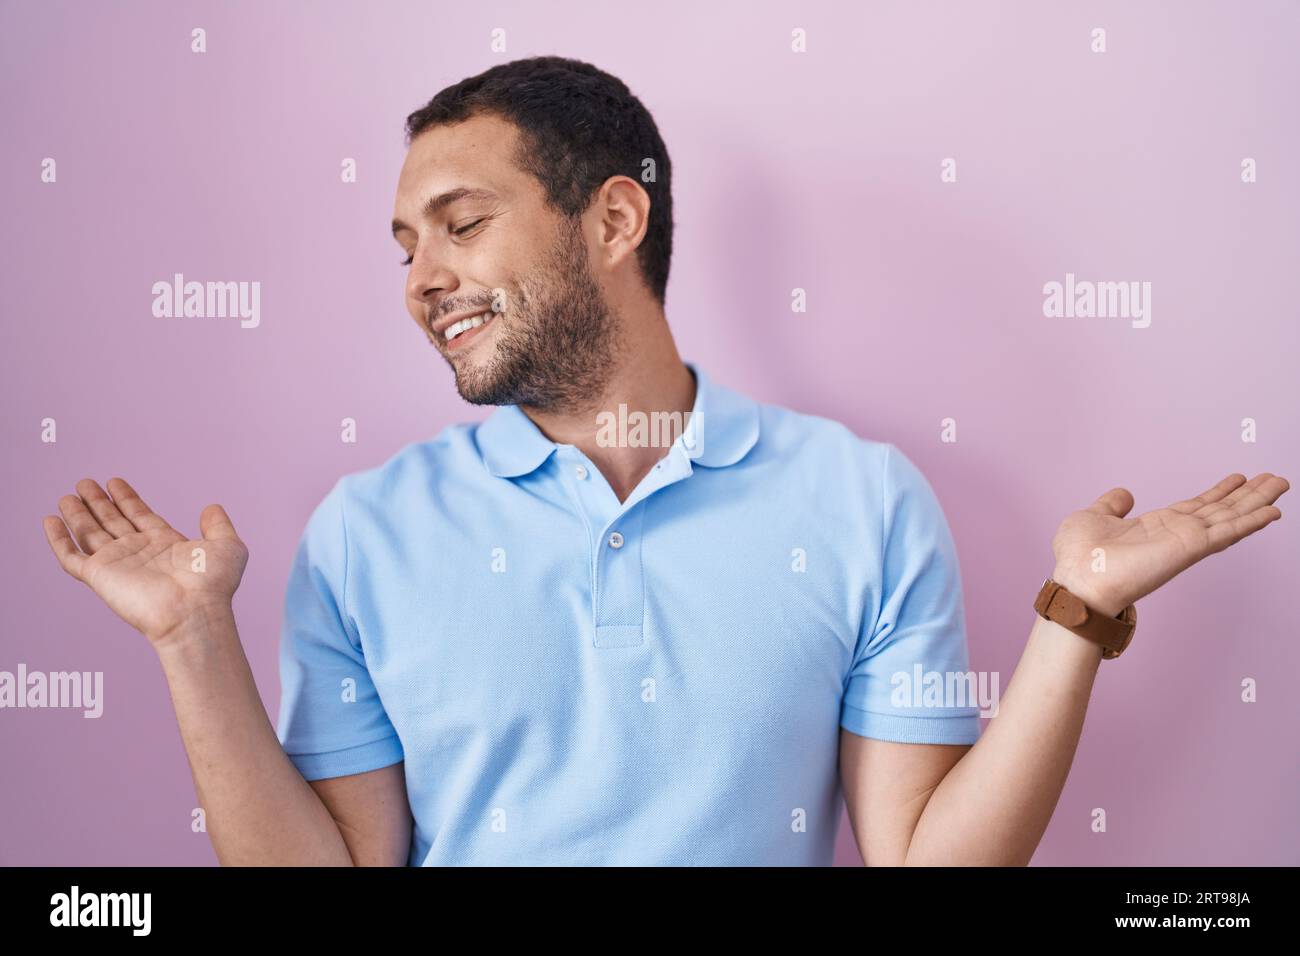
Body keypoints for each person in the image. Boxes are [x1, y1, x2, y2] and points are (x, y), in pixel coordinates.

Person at [41, 56, 1290, 866]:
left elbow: (925, 862)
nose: (422, 278)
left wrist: (1076, 618)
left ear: (613, 221)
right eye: (403, 244)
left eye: (462, 225)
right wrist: (190, 639)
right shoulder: (364, 534)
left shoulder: (858, 500)